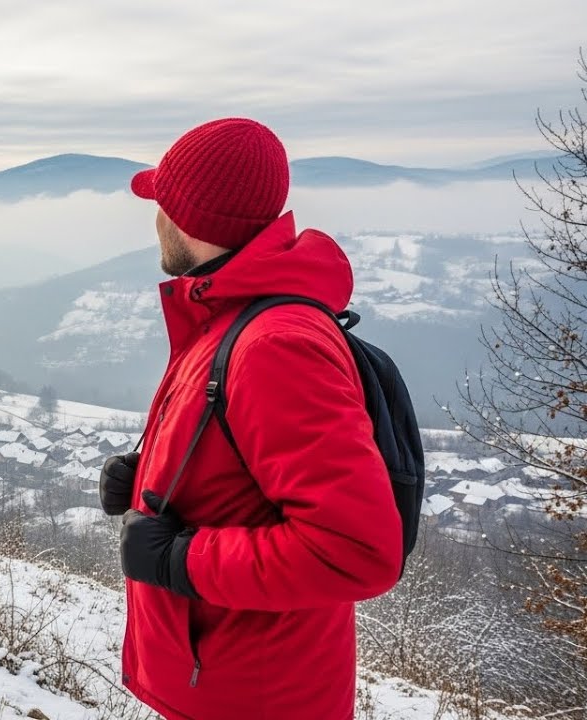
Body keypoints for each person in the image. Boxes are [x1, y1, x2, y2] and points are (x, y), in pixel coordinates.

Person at [99, 118, 404, 720]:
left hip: (258, 696)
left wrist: (177, 559)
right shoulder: (228, 312)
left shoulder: (274, 346)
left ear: (190, 219)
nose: (155, 219)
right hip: (225, 679)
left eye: (162, 202)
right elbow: (240, 468)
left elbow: (356, 550)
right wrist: (146, 482)